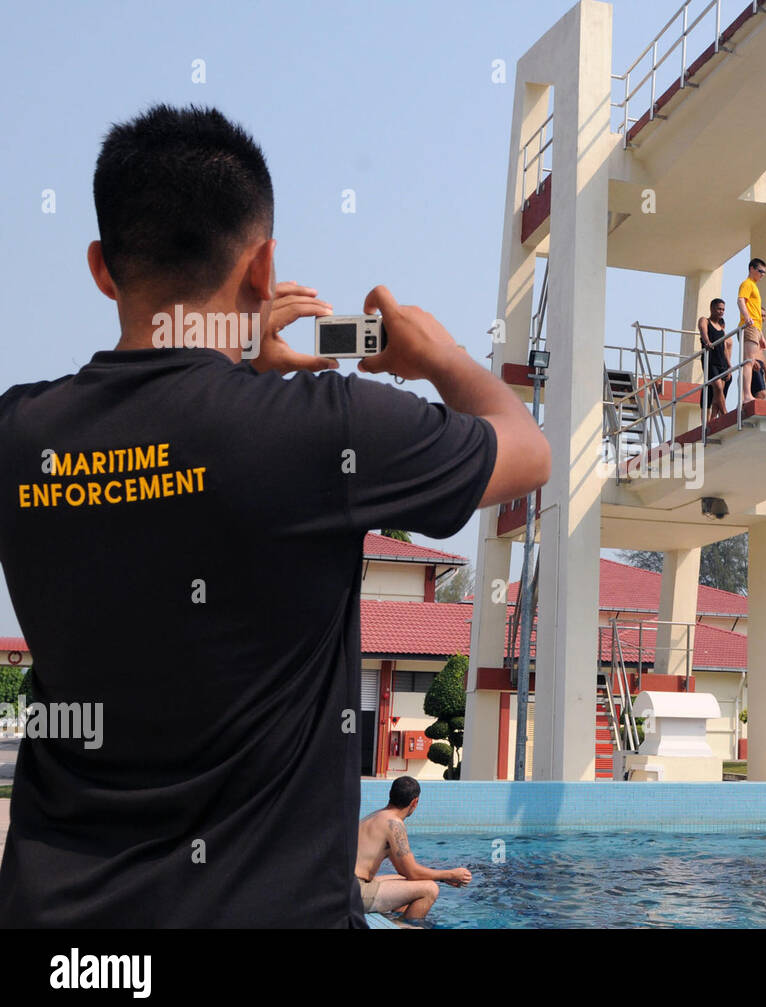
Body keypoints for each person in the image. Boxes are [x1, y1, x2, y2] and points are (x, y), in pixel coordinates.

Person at [0, 105, 550, 928]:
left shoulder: (19, 434)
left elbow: (170, 458)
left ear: (101, 268)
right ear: (264, 267)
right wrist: (439, 355)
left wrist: (231, 370)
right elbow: (526, 451)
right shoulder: (324, 428)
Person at [355, 777, 471, 920]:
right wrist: (451, 875)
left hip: (344, 886)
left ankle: (396, 918)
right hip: (355, 893)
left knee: (404, 880)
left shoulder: (376, 816)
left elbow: (406, 872)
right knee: (429, 890)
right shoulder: (394, 824)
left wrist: (442, 878)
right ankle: (403, 925)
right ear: (414, 802)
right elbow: (413, 872)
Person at [737, 258, 766, 406]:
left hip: (755, 328)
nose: (762, 274)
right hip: (749, 326)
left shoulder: (754, 286)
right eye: (760, 271)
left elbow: (756, 312)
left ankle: (747, 394)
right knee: (748, 362)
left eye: (764, 272)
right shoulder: (747, 284)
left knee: (749, 361)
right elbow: (741, 300)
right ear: (752, 269)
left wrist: (761, 335)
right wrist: (747, 317)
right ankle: (747, 395)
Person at [698, 298, 731, 420]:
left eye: (723, 309)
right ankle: (725, 413)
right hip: (710, 359)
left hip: (721, 360)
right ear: (712, 308)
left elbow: (724, 348)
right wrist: (707, 342)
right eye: (719, 308)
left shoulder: (721, 328)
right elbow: (703, 331)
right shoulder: (704, 320)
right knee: (717, 386)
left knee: (720, 390)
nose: (721, 311)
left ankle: (714, 417)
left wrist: (729, 365)